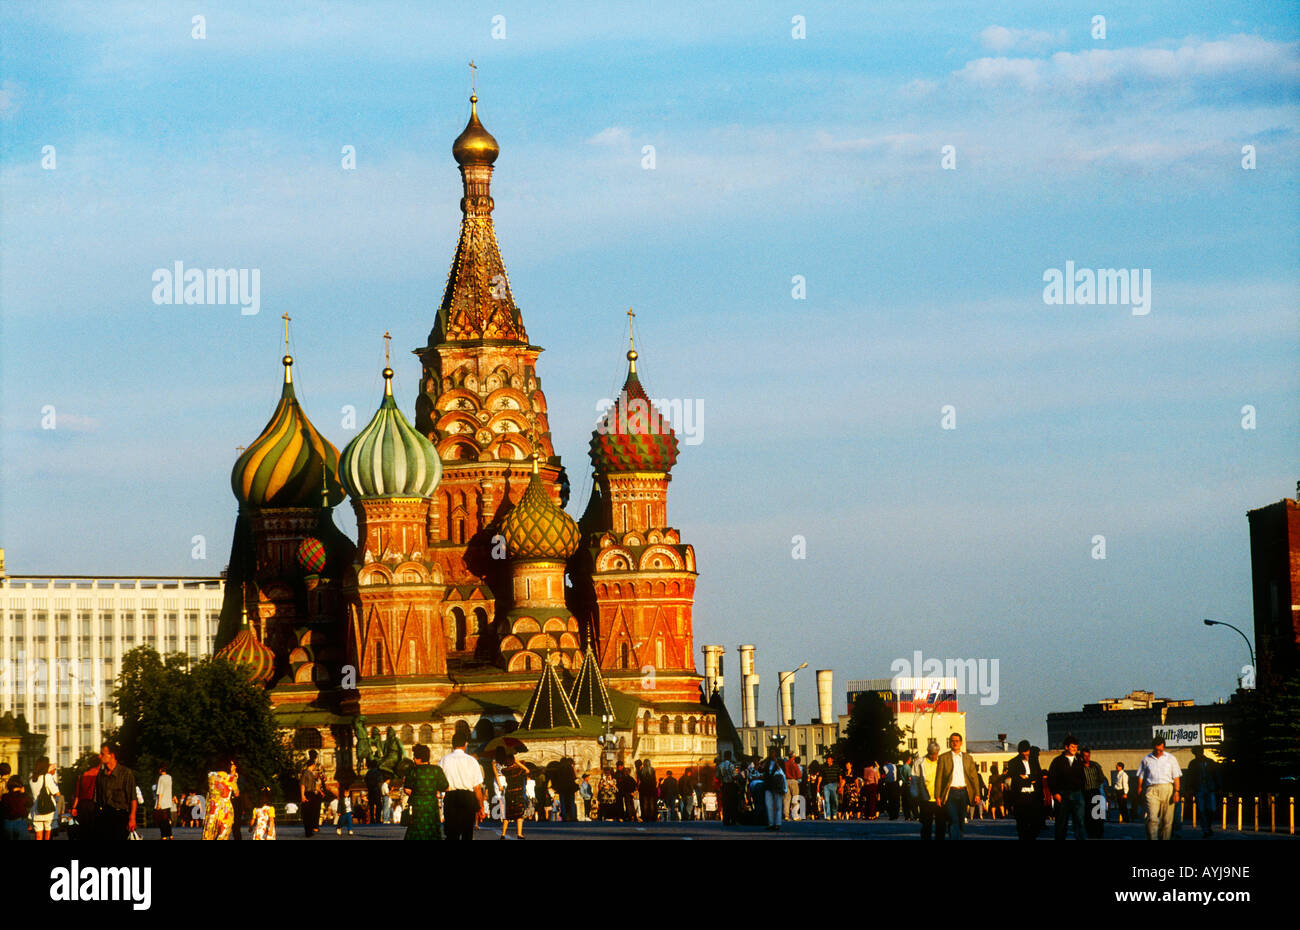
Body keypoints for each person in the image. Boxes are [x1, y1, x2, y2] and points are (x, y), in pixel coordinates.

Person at [440, 720, 485, 841]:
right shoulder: (472, 761)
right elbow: (477, 788)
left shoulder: (444, 760)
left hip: (451, 798)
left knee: (451, 833)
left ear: (452, 744)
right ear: (465, 744)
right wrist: (481, 807)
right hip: (467, 798)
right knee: (467, 833)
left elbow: (440, 783)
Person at [934, 732, 982, 839]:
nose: (955, 743)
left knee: (961, 821)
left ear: (961, 743)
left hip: (964, 793)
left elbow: (974, 778)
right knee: (953, 819)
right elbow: (939, 778)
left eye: (957, 741)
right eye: (953, 741)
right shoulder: (943, 758)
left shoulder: (968, 758)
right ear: (950, 743)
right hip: (950, 793)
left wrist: (977, 794)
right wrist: (937, 796)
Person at [1137, 737, 1182, 841]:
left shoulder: (1171, 758)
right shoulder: (1146, 759)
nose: (1158, 752)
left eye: (1160, 750)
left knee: (1167, 820)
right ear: (1153, 748)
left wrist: (1177, 791)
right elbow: (1141, 776)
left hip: (1168, 789)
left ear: (1164, 747)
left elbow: (1176, 776)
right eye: (1156, 750)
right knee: (1152, 818)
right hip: (1151, 790)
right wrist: (1139, 788)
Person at [403, 743, 450, 840]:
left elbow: (407, 790)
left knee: (417, 829)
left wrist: (417, 794)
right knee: (432, 829)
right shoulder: (436, 770)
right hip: (431, 805)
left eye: (414, 757)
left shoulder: (412, 771)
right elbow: (446, 787)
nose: (413, 759)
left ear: (419, 758)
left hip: (417, 806)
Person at [92, 742, 137, 841]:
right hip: (104, 817)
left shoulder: (126, 773)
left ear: (111, 755)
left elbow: (132, 798)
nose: (100, 756)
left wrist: (132, 818)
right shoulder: (101, 776)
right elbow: (97, 799)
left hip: (120, 817)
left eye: (102, 754)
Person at [1047, 735, 1087, 841]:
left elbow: (1083, 778)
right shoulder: (1057, 761)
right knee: (1061, 823)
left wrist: (1082, 793)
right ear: (1066, 747)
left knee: (1080, 822)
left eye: (1076, 747)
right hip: (1062, 795)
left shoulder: (1079, 761)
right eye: (1072, 747)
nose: (1075, 749)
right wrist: (1055, 793)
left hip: (1077, 795)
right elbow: (1051, 778)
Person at [1006, 740, 1043, 840]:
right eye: (1024, 752)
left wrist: (1026, 778)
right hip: (1020, 797)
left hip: (1033, 796)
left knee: (1035, 824)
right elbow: (1014, 779)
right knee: (1022, 825)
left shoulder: (1034, 761)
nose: (1026, 754)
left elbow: (1038, 777)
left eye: (1027, 752)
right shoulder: (1013, 763)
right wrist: (1029, 780)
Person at [202, 759, 240, 841]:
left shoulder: (210, 775)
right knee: (223, 832)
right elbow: (236, 793)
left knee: (209, 831)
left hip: (212, 807)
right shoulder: (230, 778)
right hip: (225, 809)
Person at [1186, 747, 1219, 838]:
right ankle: (1205, 829)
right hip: (1198, 789)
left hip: (1209, 788)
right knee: (1201, 810)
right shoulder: (1192, 764)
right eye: (1196, 753)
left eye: (1199, 752)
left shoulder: (1210, 762)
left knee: (1212, 809)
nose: (1198, 755)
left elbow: (1216, 774)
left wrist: (1218, 786)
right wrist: (1189, 789)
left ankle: (1208, 826)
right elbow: (1189, 777)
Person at [916, 740, 945, 840]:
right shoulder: (919, 762)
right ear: (928, 752)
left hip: (939, 799)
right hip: (925, 799)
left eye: (936, 754)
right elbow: (915, 779)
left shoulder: (941, 762)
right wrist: (915, 795)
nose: (934, 757)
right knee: (926, 825)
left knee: (941, 825)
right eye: (932, 754)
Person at [496, 751, 529, 839]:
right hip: (518, 793)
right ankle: (519, 833)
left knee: (507, 815)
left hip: (509, 793)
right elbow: (527, 770)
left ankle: (503, 834)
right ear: (513, 760)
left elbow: (500, 770)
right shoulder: (518, 770)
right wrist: (517, 762)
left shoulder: (505, 771)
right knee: (519, 814)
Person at [29, 756, 59, 840]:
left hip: (36, 809)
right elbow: (57, 793)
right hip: (48, 810)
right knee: (47, 835)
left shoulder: (31, 777)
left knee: (38, 835)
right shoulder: (47, 777)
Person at [1081, 747, 1107, 838]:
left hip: (1095, 791)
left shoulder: (1095, 765)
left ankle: (1099, 833)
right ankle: (1091, 833)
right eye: (1084, 756)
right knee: (1088, 815)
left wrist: (1098, 785)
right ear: (1081, 756)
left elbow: (1101, 777)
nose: (1086, 758)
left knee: (1098, 815)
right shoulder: (1079, 767)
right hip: (1085, 793)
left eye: (1088, 756)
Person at [299, 750, 324, 837]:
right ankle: (309, 830)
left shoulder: (309, 772)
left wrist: (320, 791)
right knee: (309, 813)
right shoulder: (306, 772)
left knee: (312, 812)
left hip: (313, 793)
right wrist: (302, 796)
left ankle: (311, 829)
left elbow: (314, 785)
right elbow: (302, 785)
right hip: (308, 793)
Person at [2, 775, 28, 839]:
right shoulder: (22, 796)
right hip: (20, 822)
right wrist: (23, 793)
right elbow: (30, 803)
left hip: (7, 823)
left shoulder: (5, 797)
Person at [717, 752, 739, 825]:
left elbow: (718, 776)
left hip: (724, 786)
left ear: (724, 756)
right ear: (730, 756)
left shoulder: (720, 765)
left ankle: (726, 820)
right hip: (732, 785)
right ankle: (733, 820)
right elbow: (734, 776)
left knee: (725, 803)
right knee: (732, 803)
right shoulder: (731, 765)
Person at [154, 764, 174, 840]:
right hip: (168, 801)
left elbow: (160, 791)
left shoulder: (161, 778)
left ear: (160, 770)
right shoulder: (169, 777)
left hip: (162, 802)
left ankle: (164, 836)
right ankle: (170, 835)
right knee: (167, 820)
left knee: (161, 820)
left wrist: (159, 803)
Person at [820, 753, 841, 820]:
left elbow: (840, 776)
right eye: (827, 759)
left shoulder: (836, 767)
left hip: (834, 784)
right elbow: (821, 777)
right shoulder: (824, 767)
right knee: (827, 800)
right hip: (826, 785)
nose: (827, 760)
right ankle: (828, 815)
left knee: (835, 800)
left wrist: (840, 785)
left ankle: (834, 813)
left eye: (829, 759)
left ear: (832, 760)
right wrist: (818, 785)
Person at [637, 758, 658, 822]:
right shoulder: (652, 770)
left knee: (644, 804)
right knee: (651, 804)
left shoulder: (641, 770)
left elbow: (640, 780)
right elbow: (654, 780)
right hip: (651, 789)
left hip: (644, 789)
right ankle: (652, 817)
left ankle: (645, 817)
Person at [784, 753, 802, 822]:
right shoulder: (794, 764)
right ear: (793, 757)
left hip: (786, 781)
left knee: (786, 799)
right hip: (793, 781)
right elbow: (799, 775)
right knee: (795, 798)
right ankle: (795, 815)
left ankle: (786, 815)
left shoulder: (785, 764)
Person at [364, 759, 383, 825]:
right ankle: (378, 819)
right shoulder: (378, 772)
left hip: (370, 790)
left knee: (371, 805)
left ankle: (372, 819)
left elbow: (365, 781)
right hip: (376, 790)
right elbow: (379, 782)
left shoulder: (368, 773)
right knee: (379, 805)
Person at [898, 753, 915, 821]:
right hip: (908, 785)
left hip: (903, 785)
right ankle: (910, 815)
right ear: (908, 759)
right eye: (910, 759)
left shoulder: (901, 768)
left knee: (904, 801)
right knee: (909, 801)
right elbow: (909, 778)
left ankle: (906, 816)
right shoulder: (908, 768)